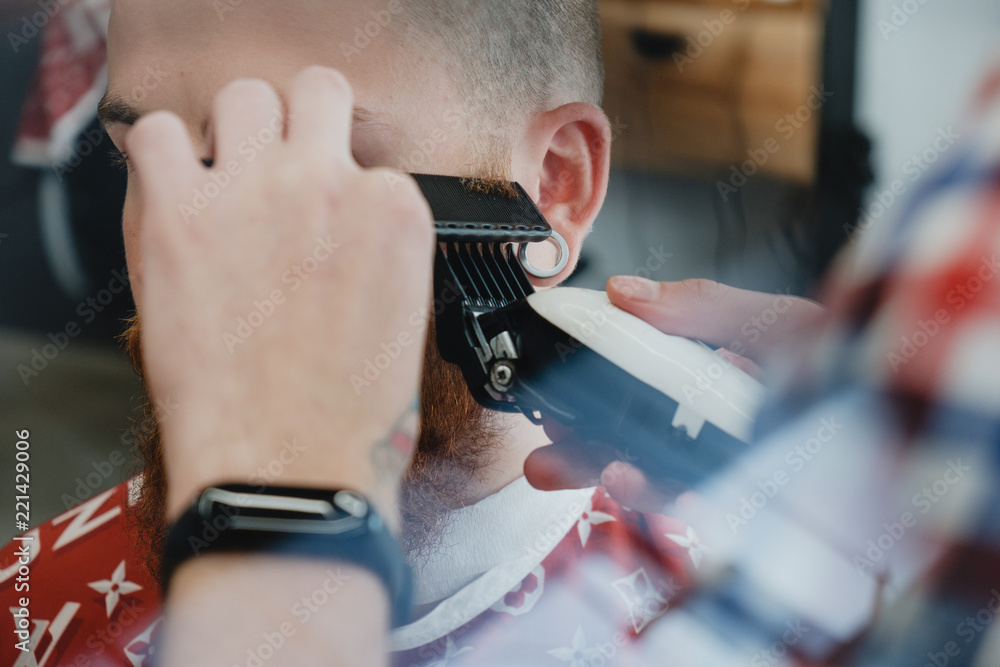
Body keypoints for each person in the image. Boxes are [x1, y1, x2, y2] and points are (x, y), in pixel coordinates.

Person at [0, 1, 822, 665]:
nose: (193, 255)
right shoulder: (29, 603)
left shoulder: (792, 614)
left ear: (551, 186)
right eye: (149, 163)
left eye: (305, 166)